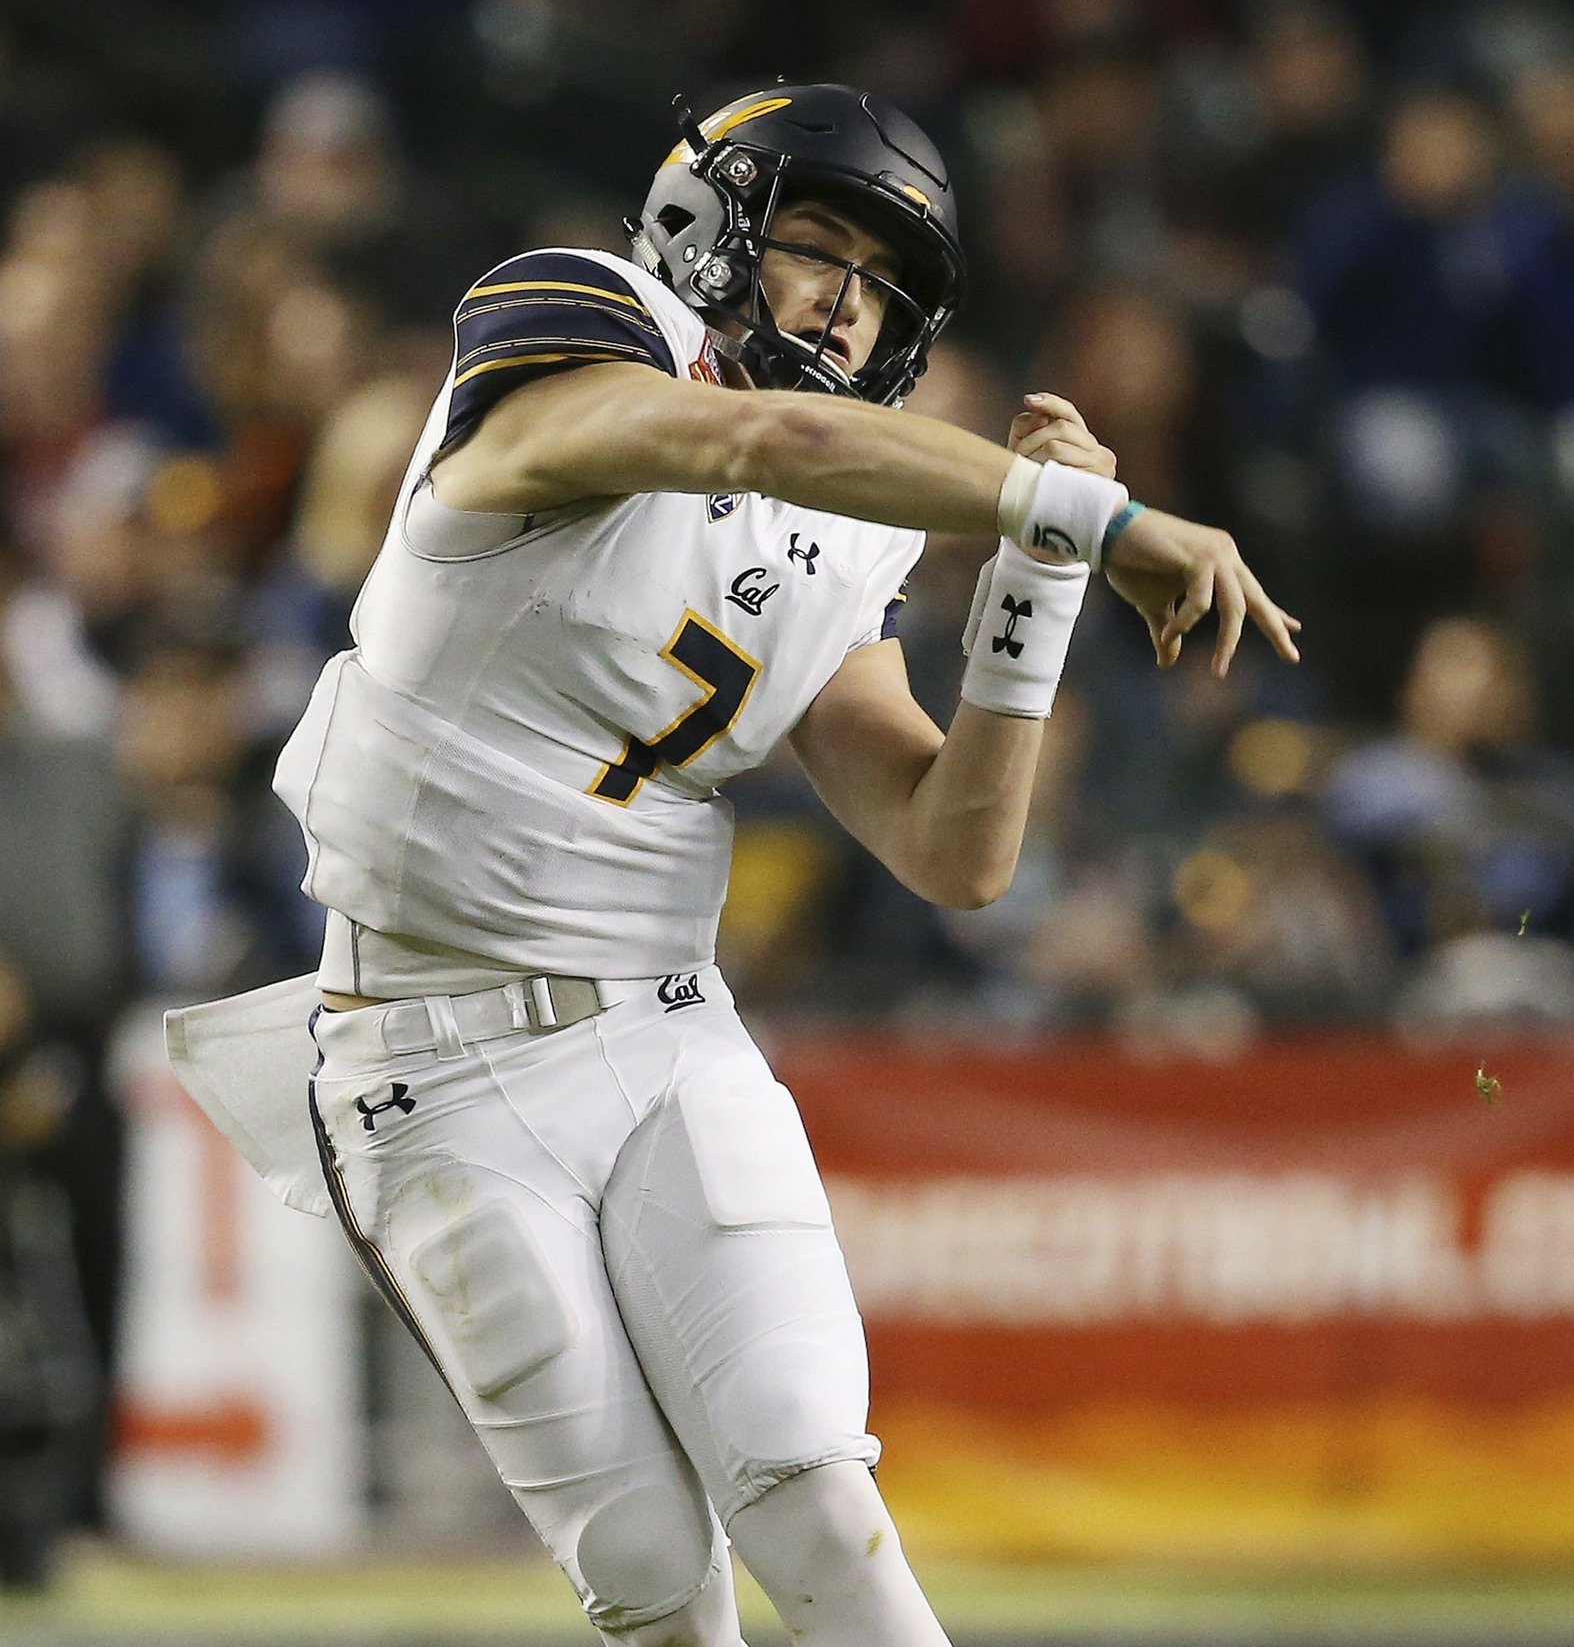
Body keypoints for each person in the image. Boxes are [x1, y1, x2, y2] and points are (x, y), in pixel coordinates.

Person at [164, 85, 1296, 1647]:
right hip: (419, 1063)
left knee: (814, 1488)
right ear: (707, 230)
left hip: (661, 1029)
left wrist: (1033, 589)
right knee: (646, 1573)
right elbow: (749, 430)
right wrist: (1086, 512)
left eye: (882, 281)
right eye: (815, 246)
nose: (845, 299)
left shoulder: (847, 530)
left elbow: (952, 849)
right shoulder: (569, 326)